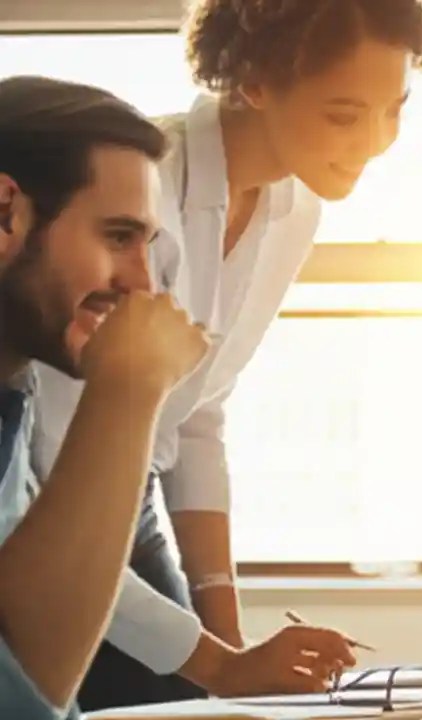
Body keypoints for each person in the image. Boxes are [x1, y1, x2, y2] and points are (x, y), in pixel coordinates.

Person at [28, 0, 422, 710]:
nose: (375, 141)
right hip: (50, 506)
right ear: (254, 79)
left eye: (394, 109)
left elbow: (196, 416)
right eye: (345, 114)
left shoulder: (295, 205)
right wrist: (220, 666)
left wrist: (232, 646)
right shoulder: (139, 194)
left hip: (136, 498)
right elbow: (53, 468)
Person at [0, 75, 211, 719]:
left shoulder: (15, 390)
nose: (142, 284)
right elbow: (25, 692)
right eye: (118, 237)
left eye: (146, 245)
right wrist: (128, 390)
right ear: (5, 214)